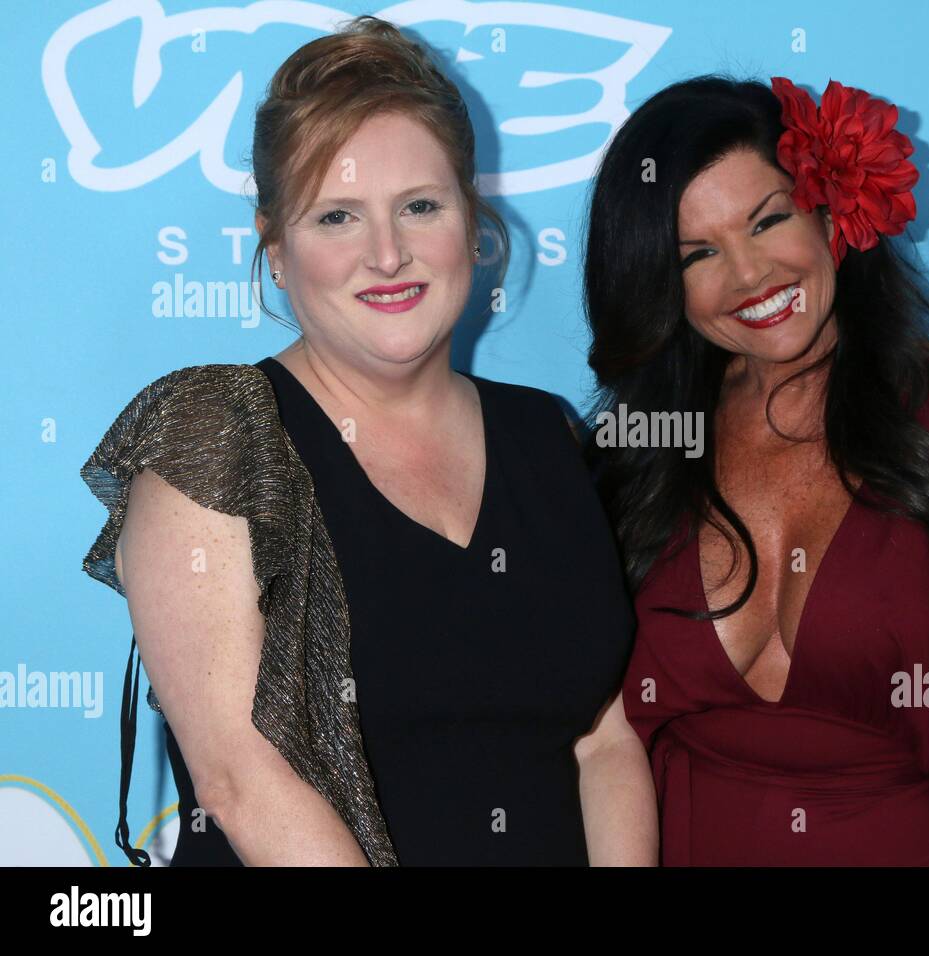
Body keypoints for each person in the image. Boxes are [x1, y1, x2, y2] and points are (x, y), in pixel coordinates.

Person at [80, 15, 656, 866]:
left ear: (472, 221)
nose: (387, 254)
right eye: (337, 216)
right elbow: (244, 782)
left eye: (420, 206)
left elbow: (602, 742)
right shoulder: (215, 433)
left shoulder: (546, 434)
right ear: (276, 249)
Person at [581, 75, 929, 865]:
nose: (749, 275)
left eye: (767, 220)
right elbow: (593, 744)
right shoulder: (643, 448)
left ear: (830, 212)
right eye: (700, 255)